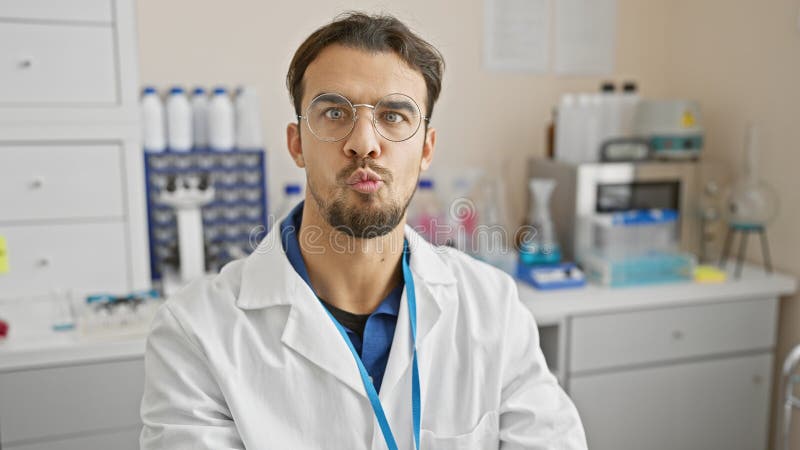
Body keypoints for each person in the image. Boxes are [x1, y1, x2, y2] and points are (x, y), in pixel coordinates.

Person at [140, 12, 586, 449]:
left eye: (394, 115)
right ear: (297, 143)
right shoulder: (195, 334)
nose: (365, 143)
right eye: (335, 112)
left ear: (426, 148)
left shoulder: (492, 309)